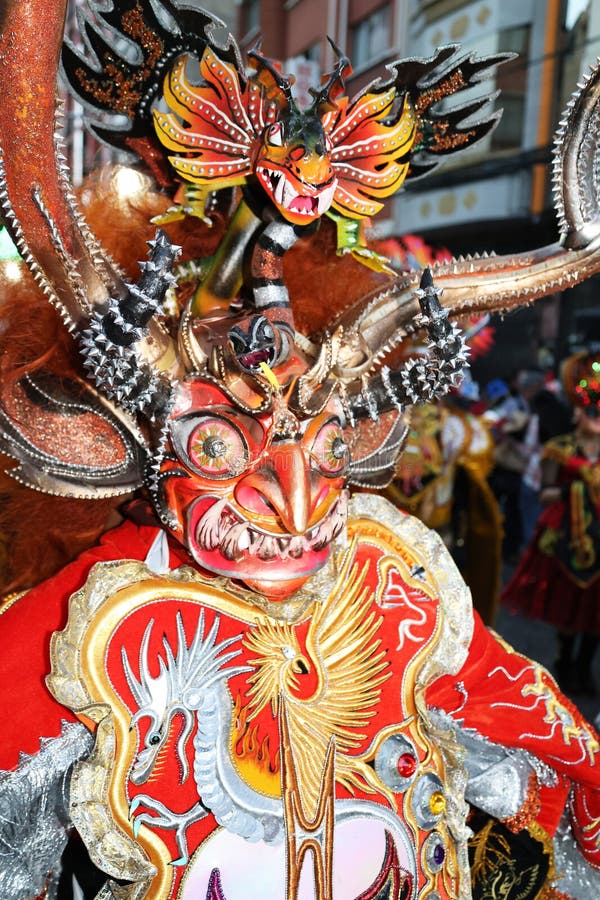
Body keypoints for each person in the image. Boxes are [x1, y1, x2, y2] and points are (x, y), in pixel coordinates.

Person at [3, 3, 600, 899]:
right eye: (220, 445)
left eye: (324, 447)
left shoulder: (393, 580)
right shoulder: (91, 620)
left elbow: (549, 751)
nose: (295, 499)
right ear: (100, 447)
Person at [503, 352, 600, 694]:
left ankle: (585, 667)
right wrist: (576, 489)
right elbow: (544, 493)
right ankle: (564, 662)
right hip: (566, 533)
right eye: (592, 412)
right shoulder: (559, 449)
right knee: (567, 603)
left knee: (595, 608)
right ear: (578, 412)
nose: (597, 419)